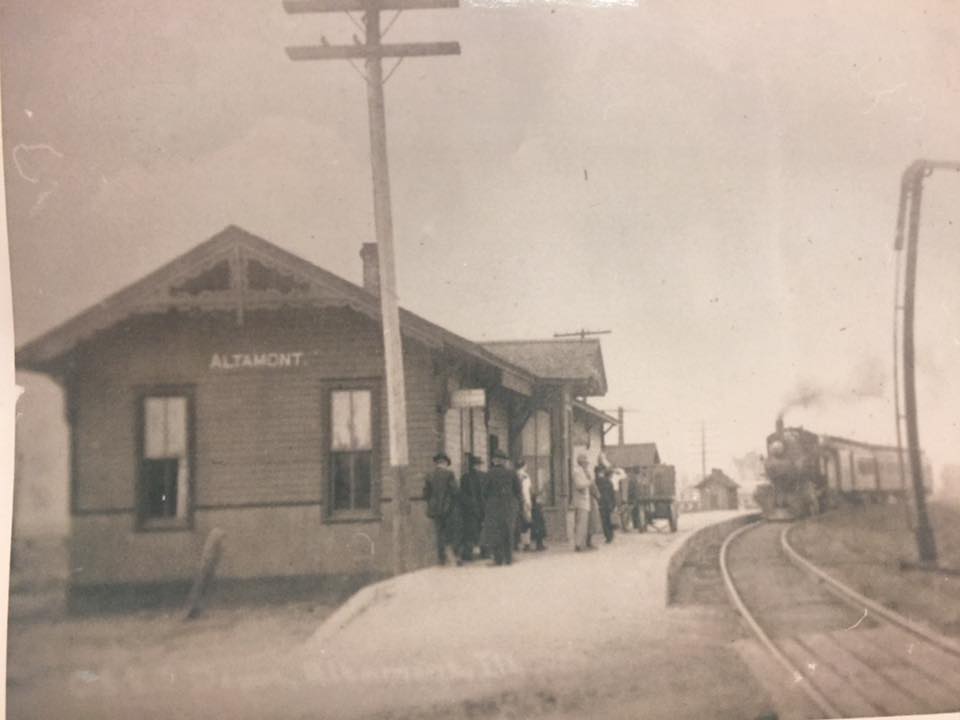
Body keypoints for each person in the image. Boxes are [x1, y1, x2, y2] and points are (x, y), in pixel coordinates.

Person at [482, 449, 522, 565]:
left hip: (493, 506)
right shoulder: (512, 473)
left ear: (494, 461)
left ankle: (498, 559)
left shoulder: (489, 473)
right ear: (504, 461)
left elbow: (484, 491)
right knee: (508, 531)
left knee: (495, 532)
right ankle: (509, 558)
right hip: (509, 506)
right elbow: (518, 491)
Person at [422, 452, 460, 566]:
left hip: (434, 509)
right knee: (451, 532)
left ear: (436, 463)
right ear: (445, 463)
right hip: (448, 508)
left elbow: (425, 493)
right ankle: (452, 556)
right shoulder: (449, 474)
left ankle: (441, 559)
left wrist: (431, 502)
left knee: (439, 533)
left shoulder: (429, 475)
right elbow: (455, 491)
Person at [458, 454, 486, 561]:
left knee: (469, 532)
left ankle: (468, 554)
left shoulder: (465, 477)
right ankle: (485, 552)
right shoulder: (484, 476)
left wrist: (468, 505)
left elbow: (462, 495)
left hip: (469, 509)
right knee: (483, 530)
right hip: (483, 508)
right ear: (479, 465)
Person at [571, 452, 593, 551]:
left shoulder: (584, 472)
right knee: (580, 523)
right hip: (580, 501)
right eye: (585, 462)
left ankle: (581, 543)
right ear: (581, 462)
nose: (586, 464)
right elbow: (579, 485)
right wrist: (589, 482)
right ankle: (578, 545)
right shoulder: (577, 472)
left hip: (585, 501)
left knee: (584, 524)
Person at [596, 464, 616, 543]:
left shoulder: (598, 481)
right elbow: (612, 494)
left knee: (604, 521)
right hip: (609, 503)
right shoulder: (609, 482)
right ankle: (610, 535)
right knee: (609, 520)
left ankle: (608, 536)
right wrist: (613, 504)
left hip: (602, 503)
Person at [516, 460, 533, 551]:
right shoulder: (525, 476)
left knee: (517, 522)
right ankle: (526, 543)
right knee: (526, 522)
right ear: (524, 466)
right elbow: (526, 490)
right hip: (525, 500)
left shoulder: (514, 475)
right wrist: (528, 502)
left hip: (516, 502)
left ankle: (516, 543)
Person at [530, 472, 548, 551]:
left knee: (539, 528)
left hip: (536, 509)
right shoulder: (537, 507)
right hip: (536, 511)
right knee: (539, 528)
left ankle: (539, 544)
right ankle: (539, 544)